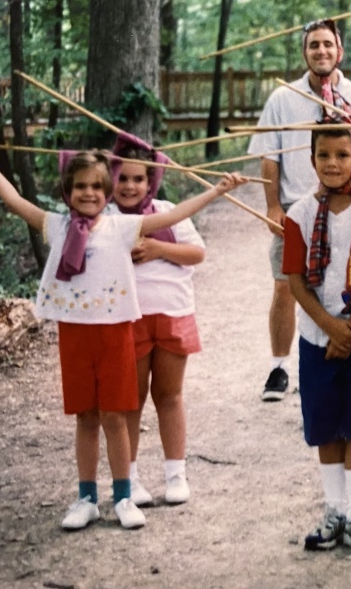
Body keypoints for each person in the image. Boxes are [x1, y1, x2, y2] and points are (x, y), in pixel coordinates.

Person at [0, 139, 244, 531]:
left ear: (106, 191)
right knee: (85, 417)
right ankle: (86, 499)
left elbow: (176, 214)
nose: (89, 193)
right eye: (80, 186)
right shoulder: (57, 226)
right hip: (75, 335)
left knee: (115, 416)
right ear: (67, 191)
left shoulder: (122, 227)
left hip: (115, 335)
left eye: (97, 186)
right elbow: (14, 201)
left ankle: (124, 496)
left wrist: (217, 190)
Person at [247, 19, 351, 401]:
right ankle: (279, 366)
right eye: (314, 45)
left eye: (328, 44)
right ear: (304, 52)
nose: (321, 51)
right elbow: (269, 156)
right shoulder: (283, 98)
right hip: (297, 206)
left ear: (339, 50)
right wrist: (273, 206)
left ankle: (345, 352)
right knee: (285, 285)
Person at [281, 121, 351, 557]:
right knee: (326, 423)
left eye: (342, 155)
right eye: (323, 155)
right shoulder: (299, 214)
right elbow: (295, 279)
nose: (332, 163)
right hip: (317, 335)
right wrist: (330, 326)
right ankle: (335, 508)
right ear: (311, 160)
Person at [110, 136, 208, 508]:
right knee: (130, 400)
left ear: (151, 180)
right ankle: (130, 478)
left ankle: (175, 475)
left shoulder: (166, 211)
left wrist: (157, 248)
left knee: (169, 395)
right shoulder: (106, 218)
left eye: (139, 179)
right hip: (127, 318)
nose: (130, 186)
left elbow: (196, 252)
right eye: (122, 178)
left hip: (172, 313)